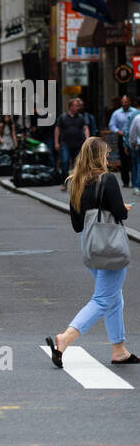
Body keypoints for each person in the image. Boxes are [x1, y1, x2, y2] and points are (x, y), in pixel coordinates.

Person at [46, 135, 137, 369]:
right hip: (109, 246)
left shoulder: (75, 181)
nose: (108, 158)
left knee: (113, 298)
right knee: (103, 298)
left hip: (89, 245)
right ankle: (65, 338)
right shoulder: (107, 180)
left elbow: (77, 225)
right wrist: (123, 208)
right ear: (99, 157)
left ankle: (120, 350)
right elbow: (120, 212)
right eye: (106, 154)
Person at [55, 98, 90, 183]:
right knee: (65, 162)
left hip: (78, 144)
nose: (78, 108)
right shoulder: (63, 117)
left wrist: (87, 139)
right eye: (76, 106)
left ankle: (77, 182)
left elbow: (85, 128)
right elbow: (57, 129)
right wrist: (56, 143)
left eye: (78, 106)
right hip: (65, 144)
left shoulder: (81, 117)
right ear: (70, 107)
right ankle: (64, 182)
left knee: (78, 164)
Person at [108, 95, 138, 189]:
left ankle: (135, 182)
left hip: (134, 138)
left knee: (134, 161)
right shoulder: (116, 113)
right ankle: (125, 181)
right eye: (123, 102)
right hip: (122, 138)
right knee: (124, 160)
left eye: (126, 102)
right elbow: (111, 125)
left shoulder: (135, 112)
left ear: (130, 102)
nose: (124, 104)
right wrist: (117, 131)